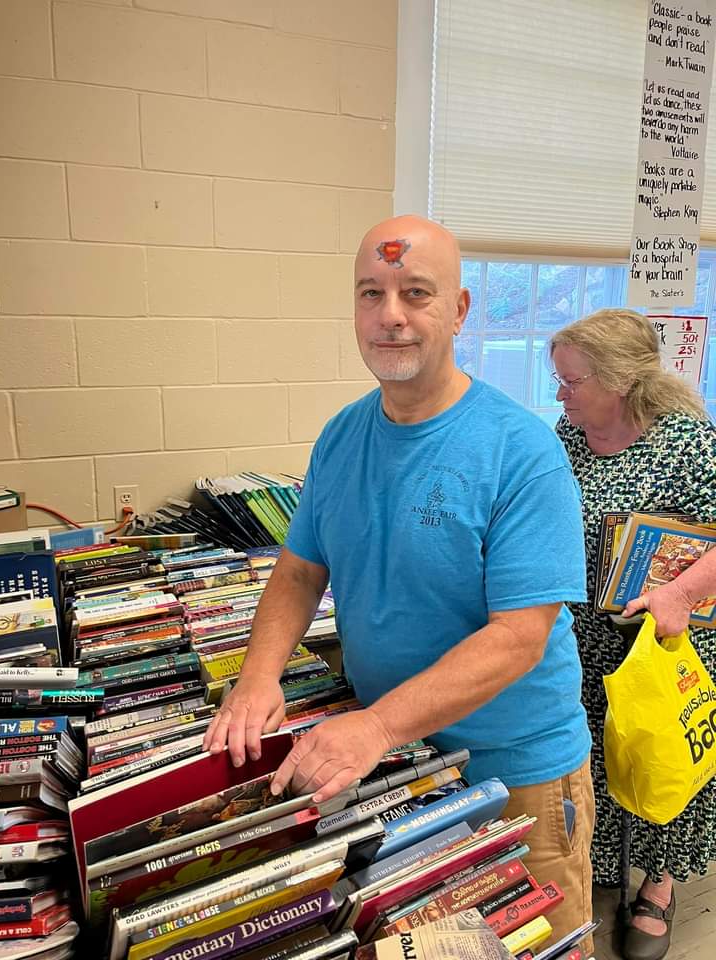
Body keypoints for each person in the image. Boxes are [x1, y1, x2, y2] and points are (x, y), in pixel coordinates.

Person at [205, 214, 595, 945]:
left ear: (460, 309)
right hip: (398, 766)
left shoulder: (522, 450)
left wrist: (378, 727)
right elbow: (298, 570)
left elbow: (518, 638)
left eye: (416, 292)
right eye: (370, 293)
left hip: (515, 776)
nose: (390, 316)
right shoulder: (342, 435)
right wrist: (259, 676)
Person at [551, 307, 716, 960]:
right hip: (585, 634)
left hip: (664, 636)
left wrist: (678, 592)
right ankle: (601, 861)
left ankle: (661, 886)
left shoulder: (685, 440)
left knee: (657, 758)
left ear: (618, 381)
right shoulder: (567, 435)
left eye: (571, 380)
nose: (561, 393)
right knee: (594, 750)